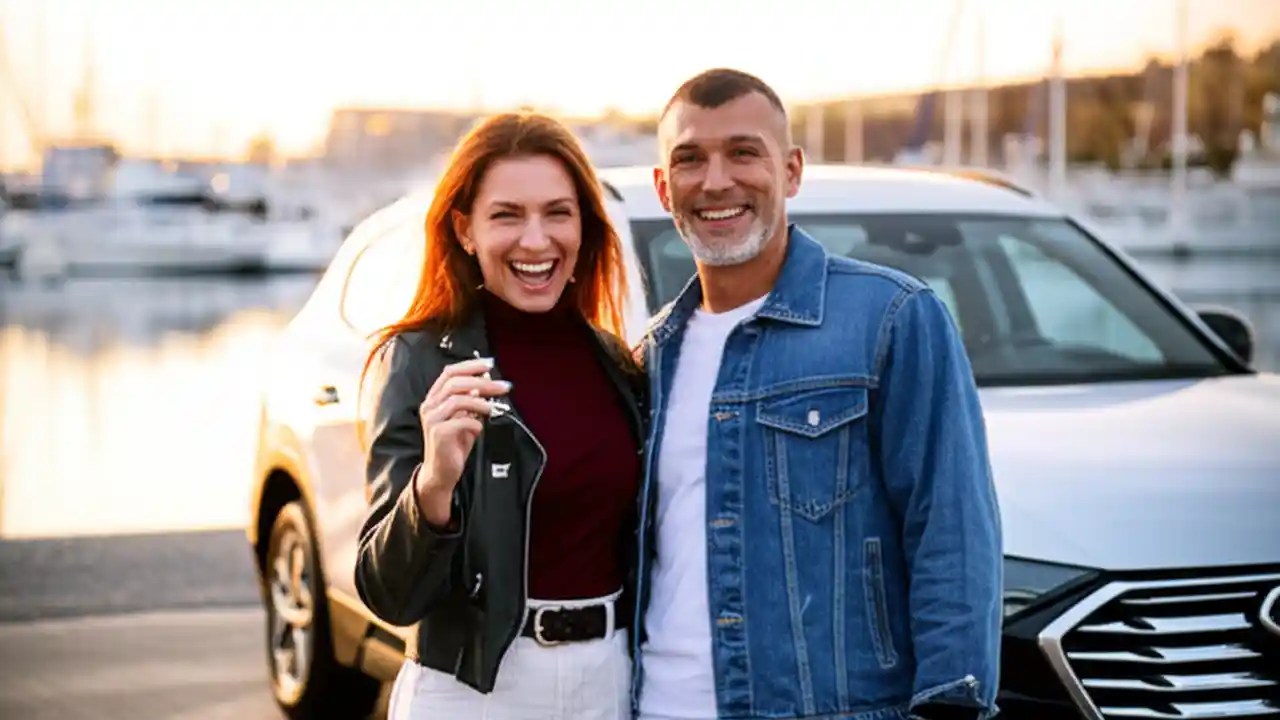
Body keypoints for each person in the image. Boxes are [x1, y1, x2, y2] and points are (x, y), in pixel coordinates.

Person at [631, 69, 1003, 720]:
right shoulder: (647, 358)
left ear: (793, 171)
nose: (716, 181)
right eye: (690, 159)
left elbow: (952, 539)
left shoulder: (892, 319)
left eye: (744, 152)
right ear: (665, 188)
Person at [354, 112, 646, 720]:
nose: (535, 241)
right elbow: (388, 592)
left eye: (557, 213)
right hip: (474, 689)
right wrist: (433, 485)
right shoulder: (417, 361)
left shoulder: (617, 363)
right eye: (507, 215)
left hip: (611, 681)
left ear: (584, 228)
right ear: (465, 230)